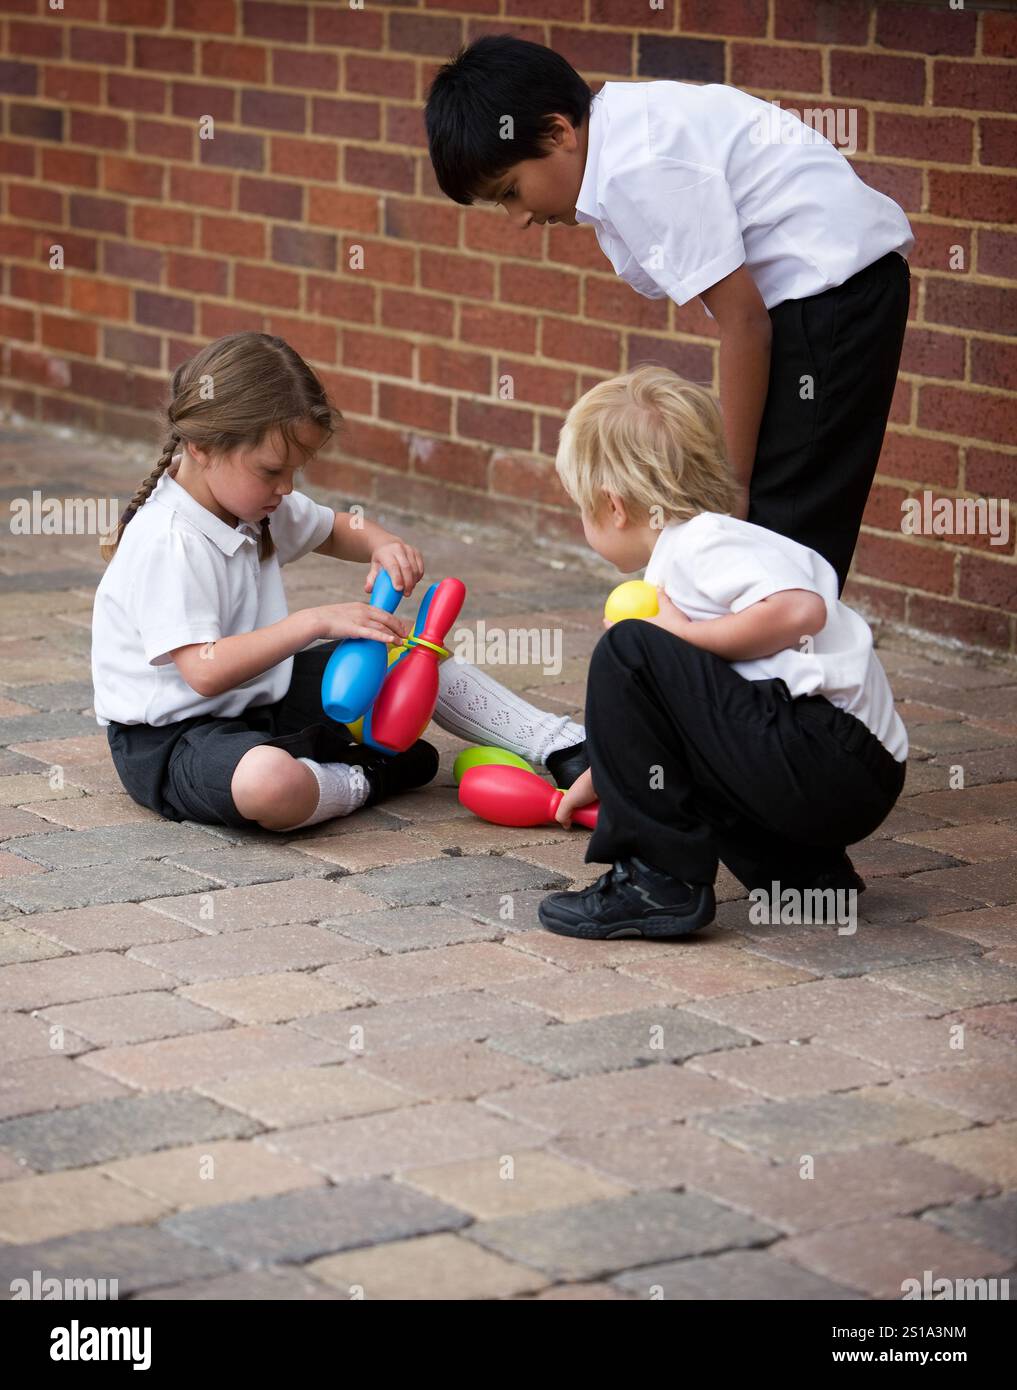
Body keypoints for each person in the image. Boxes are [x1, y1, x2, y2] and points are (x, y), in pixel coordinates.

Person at [425, 35, 913, 594]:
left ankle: (782, 669)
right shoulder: (625, 133)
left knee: (780, 533)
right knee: (771, 525)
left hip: (833, 301)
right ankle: (762, 656)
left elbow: (745, 325)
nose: (517, 217)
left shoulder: (638, 170)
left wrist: (730, 485)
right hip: (830, 297)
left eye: (511, 190)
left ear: (559, 132)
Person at [92, 331, 587, 832]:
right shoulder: (168, 540)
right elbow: (203, 671)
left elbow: (334, 527)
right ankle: (366, 776)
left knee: (412, 656)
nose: (286, 488)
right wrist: (312, 623)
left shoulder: (249, 501)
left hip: (263, 698)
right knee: (268, 783)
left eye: (295, 471)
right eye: (271, 471)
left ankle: (565, 745)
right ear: (202, 446)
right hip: (175, 739)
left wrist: (381, 544)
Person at [535, 366, 908, 940]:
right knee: (660, 671)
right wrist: (613, 774)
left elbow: (800, 611)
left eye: (580, 508)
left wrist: (680, 636)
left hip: (827, 753)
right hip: (845, 776)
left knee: (628, 650)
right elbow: (698, 711)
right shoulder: (716, 543)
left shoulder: (701, 541)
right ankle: (804, 878)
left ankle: (655, 883)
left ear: (612, 506)